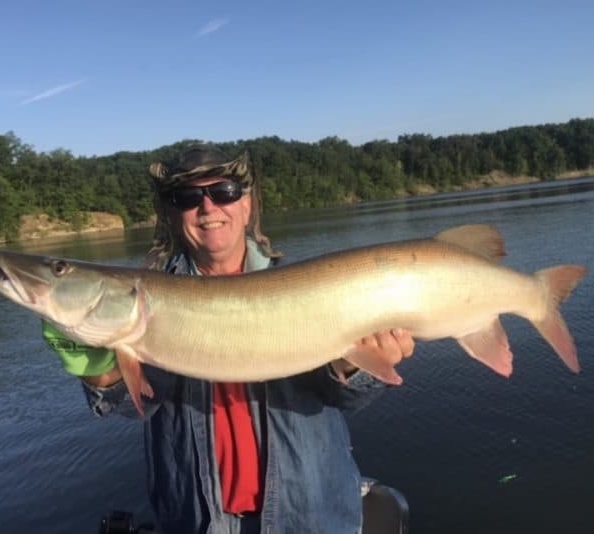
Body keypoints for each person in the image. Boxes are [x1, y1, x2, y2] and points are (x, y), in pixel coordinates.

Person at [42, 144, 415, 534]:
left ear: (247, 204)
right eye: (188, 198)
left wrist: (355, 365)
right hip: (199, 523)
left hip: (311, 517)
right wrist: (100, 372)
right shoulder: (148, 304)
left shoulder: (312, 286)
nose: (208, 208)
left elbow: (343, 398)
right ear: (172, 214)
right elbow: (138, 406)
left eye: (224, 192)